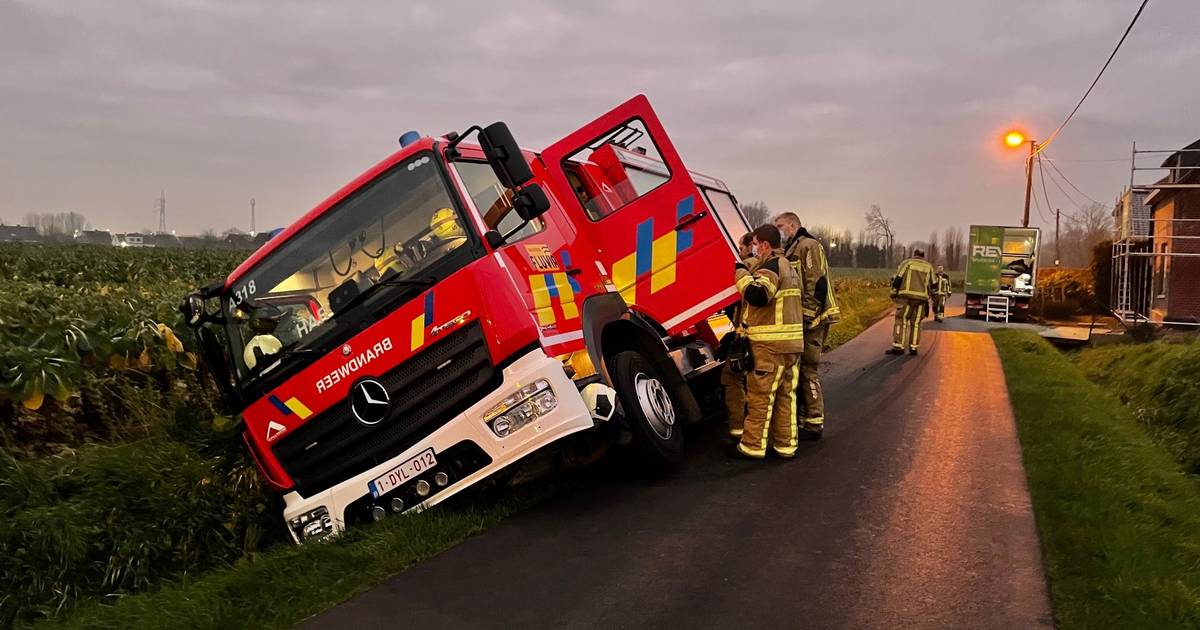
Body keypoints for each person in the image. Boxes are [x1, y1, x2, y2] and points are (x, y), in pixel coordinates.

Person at [731, 225, 805, 459]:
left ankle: (752, 446)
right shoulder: (790, 267)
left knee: (760, 397)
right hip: (791, 345)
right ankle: (786, 446)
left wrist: (741, 273)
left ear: (764, 244)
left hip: (770, 346)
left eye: (755, 245)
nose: (754, 250)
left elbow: (759, 295)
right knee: (786, 396)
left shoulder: (771, 265)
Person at [775, 212, 840, 439]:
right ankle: (805, 419)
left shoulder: (809, 245)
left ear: (793, 225)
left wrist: (808, 313)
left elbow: (816, 281)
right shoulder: (792, 248)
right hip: (803, 318)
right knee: (800, 370)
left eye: (781, 226)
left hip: (814, 319)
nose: (780, 231)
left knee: (808, 370)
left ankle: (814, 423)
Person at [722, 233, 756, 439]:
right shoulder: (771, 265)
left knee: (731, 378)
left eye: (740, 247)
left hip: (747, 335)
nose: (739, 251)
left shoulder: (745, 268)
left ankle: (737, 430)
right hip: (765, 336)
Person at [887, 248, 936, 355]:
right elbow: (934, 285)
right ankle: (913, 348)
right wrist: (932, 298)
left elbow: (898, 279)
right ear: (923, 256)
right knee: (916, 323)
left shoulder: (907, 263)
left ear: (914, 254)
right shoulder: (929, 267)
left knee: (901, 320)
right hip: (921, 301)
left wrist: (894, 293)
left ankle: (898, 346)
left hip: (905, 298)